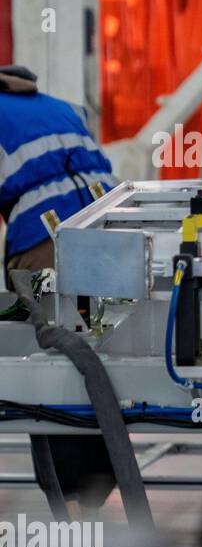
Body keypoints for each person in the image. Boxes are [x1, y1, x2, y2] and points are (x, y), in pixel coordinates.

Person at [0, 64, 119, 516]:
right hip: (109, 234)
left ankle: (69, 495)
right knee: (99, 352)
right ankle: (99, 485)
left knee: (51, 357)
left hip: (44, 243)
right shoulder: (62, 108)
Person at [0, 65, 117, 288]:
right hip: (111, 214)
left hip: (43, 232)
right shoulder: (64, 107)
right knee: (121, 305)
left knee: (51, 307)